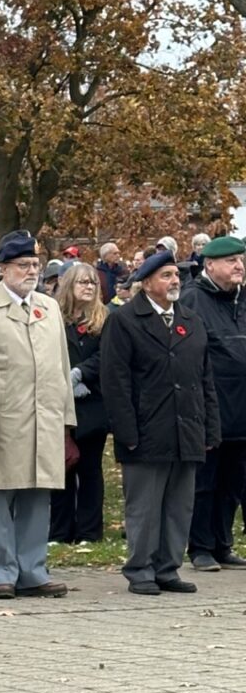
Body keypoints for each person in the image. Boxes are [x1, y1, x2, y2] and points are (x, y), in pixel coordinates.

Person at [0, 230, 77, 599]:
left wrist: (65, 419)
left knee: (38, 495)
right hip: (4, 417)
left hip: (45, 417)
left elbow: (61, 364)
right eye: (23, 265)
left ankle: (33, 570)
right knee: (0, 495)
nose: (31, 271)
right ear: (4, 268)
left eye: (35, 265)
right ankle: (2, 573)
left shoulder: (48, 306)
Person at [101, 249, 220, 595]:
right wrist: (127, 432)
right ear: (147, 282)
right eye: (166, 275)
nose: (174, 281)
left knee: (179, 506)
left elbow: (204, 379)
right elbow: (115, 382)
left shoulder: (191, 320)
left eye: (176, 275)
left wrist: (209, 428)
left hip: (187, 429)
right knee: (145, 507)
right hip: (145, 430)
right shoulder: (124, 321)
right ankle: (140, 569)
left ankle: (168, 567)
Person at [179, 234, 246, 571]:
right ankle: (200, 547)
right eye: (231, 261)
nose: (239, 266)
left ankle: (222, 543)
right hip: (209, 406)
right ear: (209, 264)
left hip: (243, 407)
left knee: (233, 483)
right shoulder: (192, 299)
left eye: (241, 260)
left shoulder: (242, 298)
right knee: (205, 482)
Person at [49, 262, 110, 544]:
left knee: (89, 470)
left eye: (92, 283)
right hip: (59, 403)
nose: (88, 287)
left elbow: (107, 356)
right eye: (82, 282)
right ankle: (60, 532)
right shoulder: (53, 318)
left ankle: (89, 531)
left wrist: (81, 373)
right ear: (69, 286)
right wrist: (65, 380)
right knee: (61, 468)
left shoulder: (105, 319)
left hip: (91, 404)